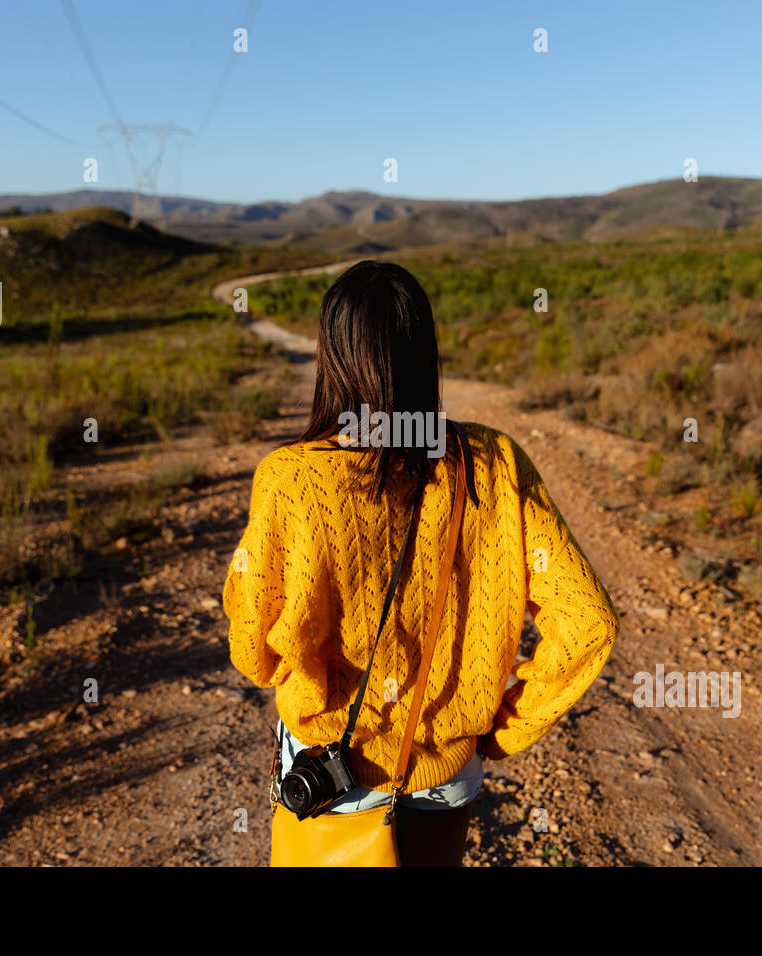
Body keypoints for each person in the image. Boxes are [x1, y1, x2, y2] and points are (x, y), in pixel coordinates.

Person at [223, 260, 619, 866]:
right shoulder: (493, 460)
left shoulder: (292, 480)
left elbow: (254, 650)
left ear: (332, 356)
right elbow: (589, 622)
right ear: (423, 351)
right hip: (447, 771)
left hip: (333, 770)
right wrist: (502, 728)